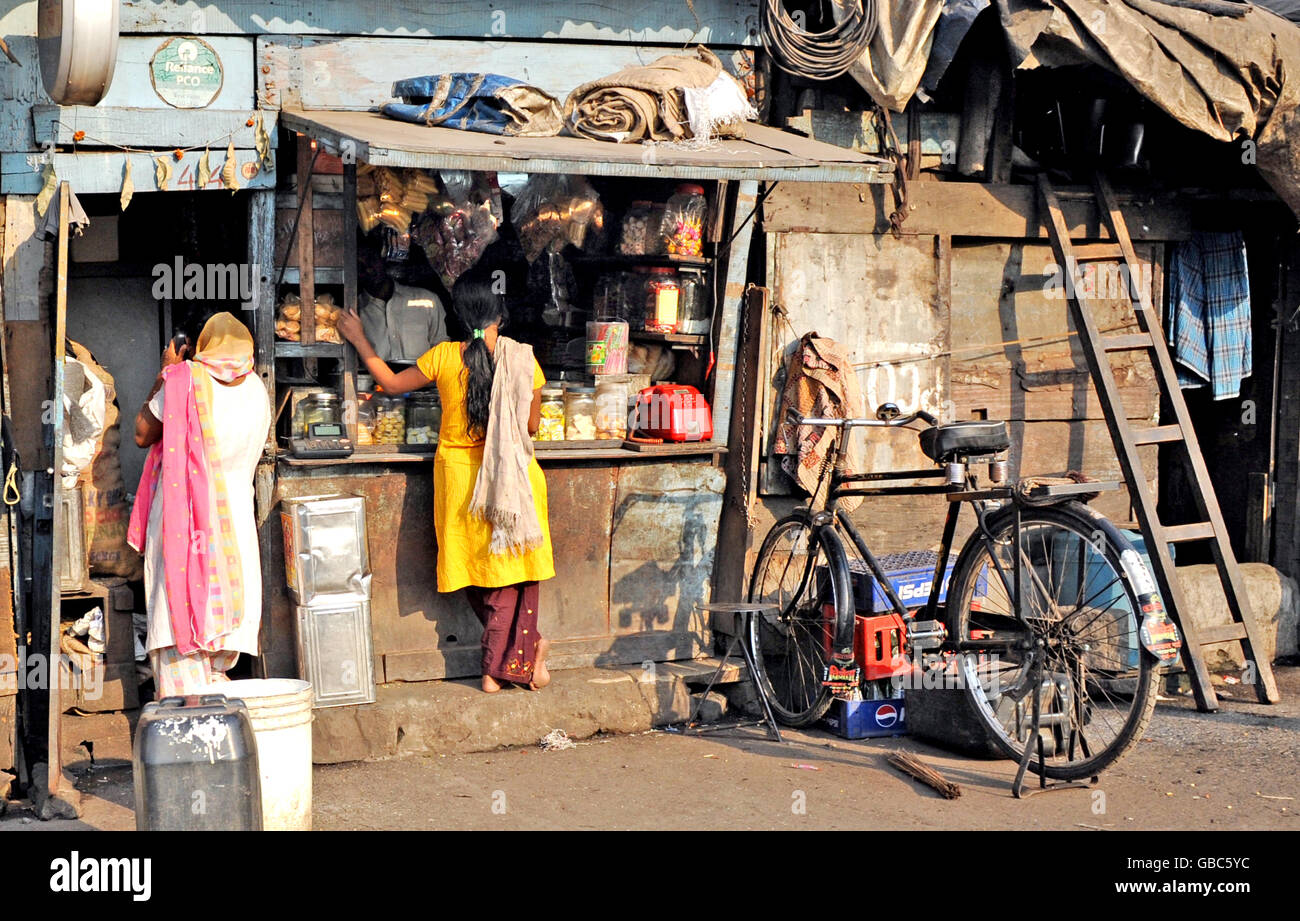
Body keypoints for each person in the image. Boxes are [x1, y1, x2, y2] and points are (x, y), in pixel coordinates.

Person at [339, 279, 555, 693]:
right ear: (500, 317)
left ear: (460, 318)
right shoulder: (524, 359)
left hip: (459, 479)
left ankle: (507, 664)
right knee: (513, 573)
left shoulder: (442, 356)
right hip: (513, 479)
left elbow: (391, 384)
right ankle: (503, 667)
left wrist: (360, 339)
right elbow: (531, 426)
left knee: (477, 571)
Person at [128, 313, 272, 698]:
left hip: (185, 528)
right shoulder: (258, 388)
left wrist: (165, 373)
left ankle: (183, 728)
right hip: (233, 532)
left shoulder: (185, 382)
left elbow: (143, 432)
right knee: (217, 640)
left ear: (198, 345)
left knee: (178, 631)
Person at [358, 243, 450, 362]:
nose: (368, 269)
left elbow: (441, 348)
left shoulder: (426, 300)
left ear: (383, 259)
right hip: (372, 380)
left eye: (371, 260)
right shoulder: (355, 310)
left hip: (425, 380)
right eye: (359, 265)